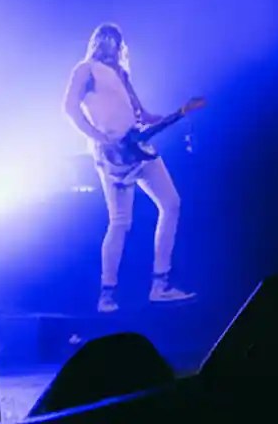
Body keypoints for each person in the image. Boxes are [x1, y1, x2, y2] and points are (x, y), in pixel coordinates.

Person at [63, 23, 195, 313]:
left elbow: (142, 115)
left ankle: (161, 284)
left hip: (138, 147)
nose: (111, 44)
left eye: (116, 39)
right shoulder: (86, 69)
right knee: (120, 221)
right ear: (96, 41)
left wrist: (176, 115)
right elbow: (70, 107)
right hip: (113, 155)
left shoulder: (122, 74)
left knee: (171, 203)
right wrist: (98, 137)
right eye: (106, 38)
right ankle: (107, 293)